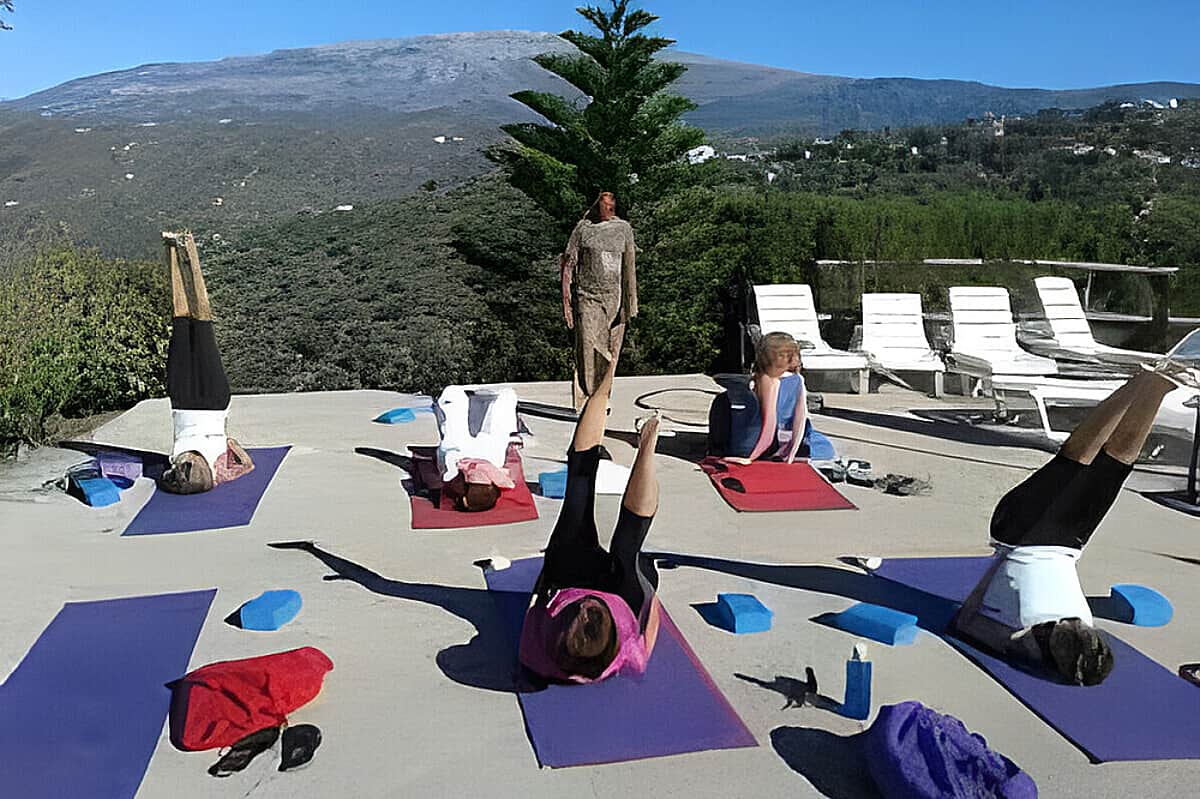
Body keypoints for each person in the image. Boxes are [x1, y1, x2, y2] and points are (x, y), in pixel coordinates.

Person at [952, 361, 1200, 686]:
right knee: (1113, 467)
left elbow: (963, 623)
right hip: (1069, 545)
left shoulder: (1021, 636)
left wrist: (995, 566)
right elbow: (964, 623)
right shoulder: (1076, 624)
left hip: (1017, 534)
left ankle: (1147, 385)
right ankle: (1150, 384)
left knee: (1076, 458)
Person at [518, 362, 662, 683]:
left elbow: (652, 615)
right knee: (578, 493)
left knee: (628, 543)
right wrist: (550, 566)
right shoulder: (533, 655)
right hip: (572, 576)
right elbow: (535, 601)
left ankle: (646, 448)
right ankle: (609, 385)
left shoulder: (631, 658)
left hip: (619, 591)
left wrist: (648, 594)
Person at [160, 231, 254, 494]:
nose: (186, 463)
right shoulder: (220, 472)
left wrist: (231, 443)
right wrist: (231, 445)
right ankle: (188, 247)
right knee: (202, 322)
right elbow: (248, 467)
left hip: (183, 400)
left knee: (180, 320)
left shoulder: (175, 463)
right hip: (212, 402)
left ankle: (170, 249)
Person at [561, 191, 638, 410]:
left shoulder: (623, 229)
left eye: (610, 207)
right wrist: (566, 302)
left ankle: (602, 399)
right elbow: (568, 263)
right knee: (588, 346)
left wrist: (630, 303)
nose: (607, 210)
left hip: (615, 298)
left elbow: (629, 265)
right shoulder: (583, 229)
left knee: (611, 352)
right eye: (603, 206)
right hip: (588, 296)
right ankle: (585, 398)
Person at [708, 332, 811, 464]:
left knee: (723, 400)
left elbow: (769, 423)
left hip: (755, 446)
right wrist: (790, 455)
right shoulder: (797, 380)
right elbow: (800, 420)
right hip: (782, 445)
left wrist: (751, 457)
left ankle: (717, 449)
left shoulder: (769, 380)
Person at [433, 385, 519, 513]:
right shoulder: (495, 466)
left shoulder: (454, 473)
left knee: (455, 428)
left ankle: (457, 398)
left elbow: (448, 459)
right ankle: (499, 399)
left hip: (462, 453)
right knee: (498, 427)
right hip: (485, 456)